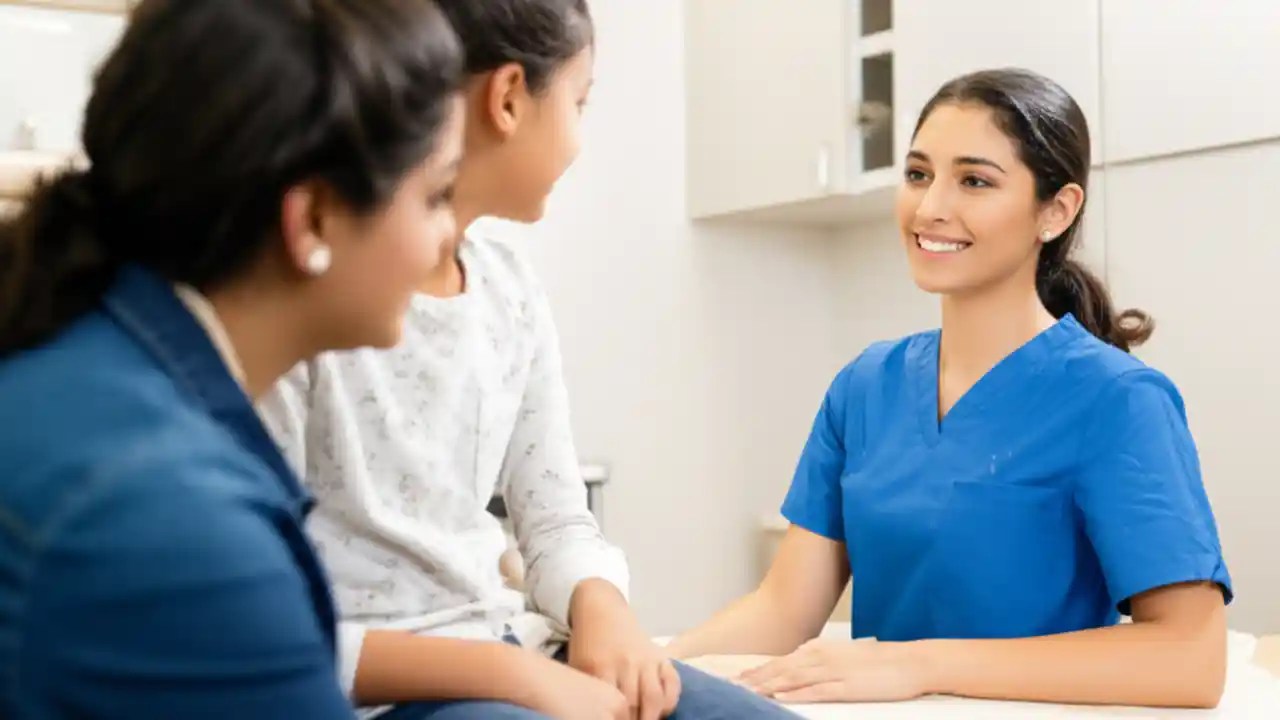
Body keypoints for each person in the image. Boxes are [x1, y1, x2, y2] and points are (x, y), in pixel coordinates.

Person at [258, 2, 800, 719]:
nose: (580, 139)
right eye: (579, 101)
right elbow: (261, 626)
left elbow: (554, 518)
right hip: (395, 692)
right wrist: (506, 676)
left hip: (512, 643)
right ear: (508, 98)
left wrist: (600, 606)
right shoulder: (312, 299)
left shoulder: (508, 289)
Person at [665, 68, 1233, 710]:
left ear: (1056, 209)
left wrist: (920, 664)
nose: (931, 206)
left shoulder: (1120, 400)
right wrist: (646, 667)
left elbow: (1190, 658)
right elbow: (782, 609)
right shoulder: (864, 387)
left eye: (974, 181)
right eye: (917, 174)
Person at [0, 1, 465, 717]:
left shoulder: (78, 363)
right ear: (311, 218)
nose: (449, 238)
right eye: (437, 196)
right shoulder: (179, 525)